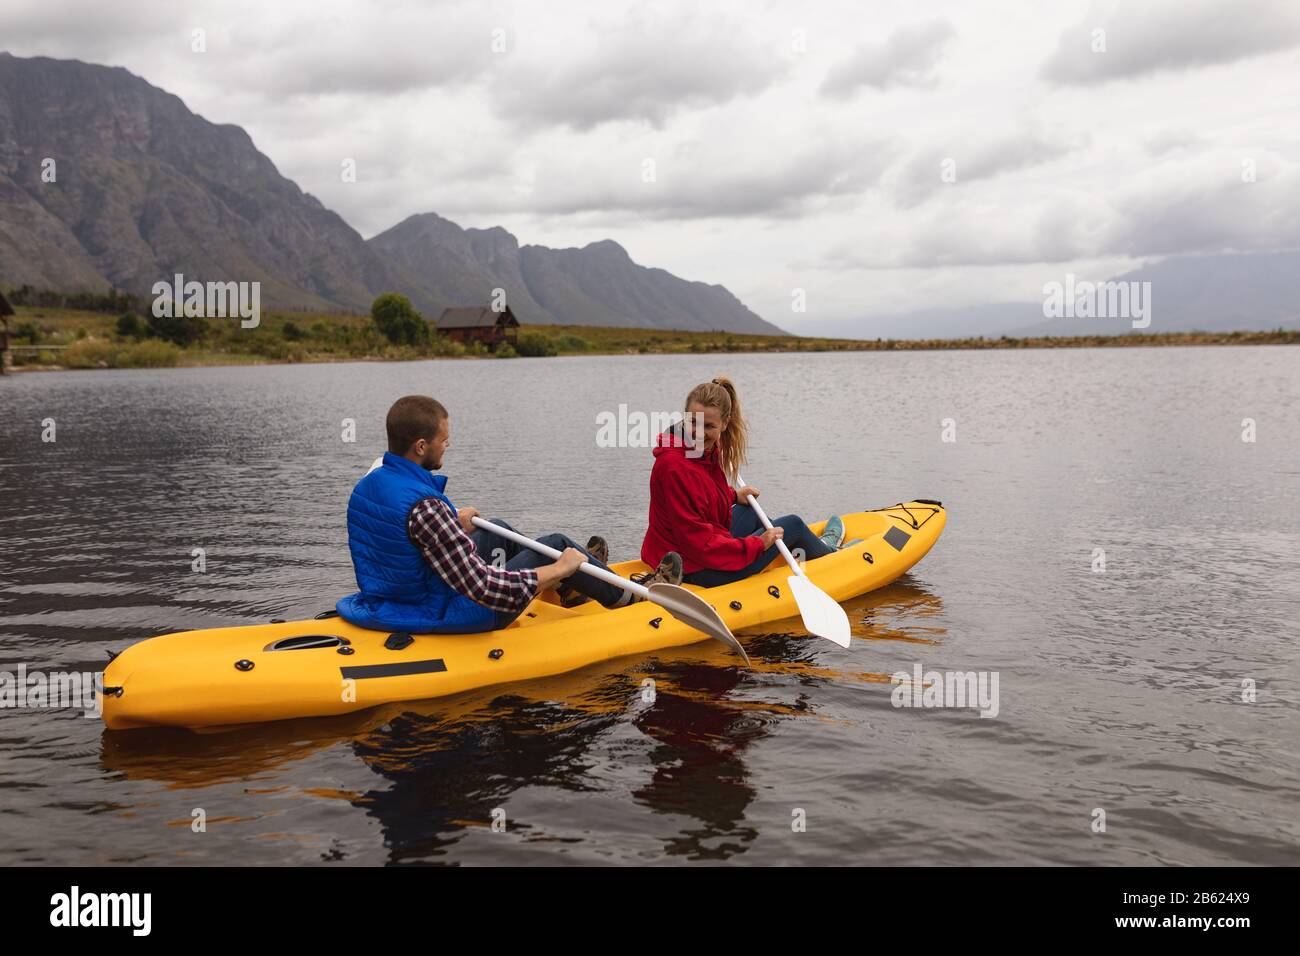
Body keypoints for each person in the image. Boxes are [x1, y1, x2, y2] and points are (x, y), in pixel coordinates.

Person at [337, 395, 681, 633]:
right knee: (557, 545)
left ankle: (575, 584)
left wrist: (452, 526)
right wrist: (557, 567)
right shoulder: (426, 508)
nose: (448, 445)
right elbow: (483, 588)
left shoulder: (371, 482)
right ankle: (627, 596)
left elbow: (400, 539)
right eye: (444, 440)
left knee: (496, 529)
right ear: (421, 446)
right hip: (448, 610)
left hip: (397, 596)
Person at [641, 376, 849, 589]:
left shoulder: (702, 452)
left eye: (709, 426)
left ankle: (805, 550)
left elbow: (698, 495)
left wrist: (732, 495)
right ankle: (829, 554)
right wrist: (757, 544)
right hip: (694, 568)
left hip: (693, 552)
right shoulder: (674, 465)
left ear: (724, 424)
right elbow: (695, 540)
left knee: (750, 512)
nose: (699, 432)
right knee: (793, 525)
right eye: (693, 422)